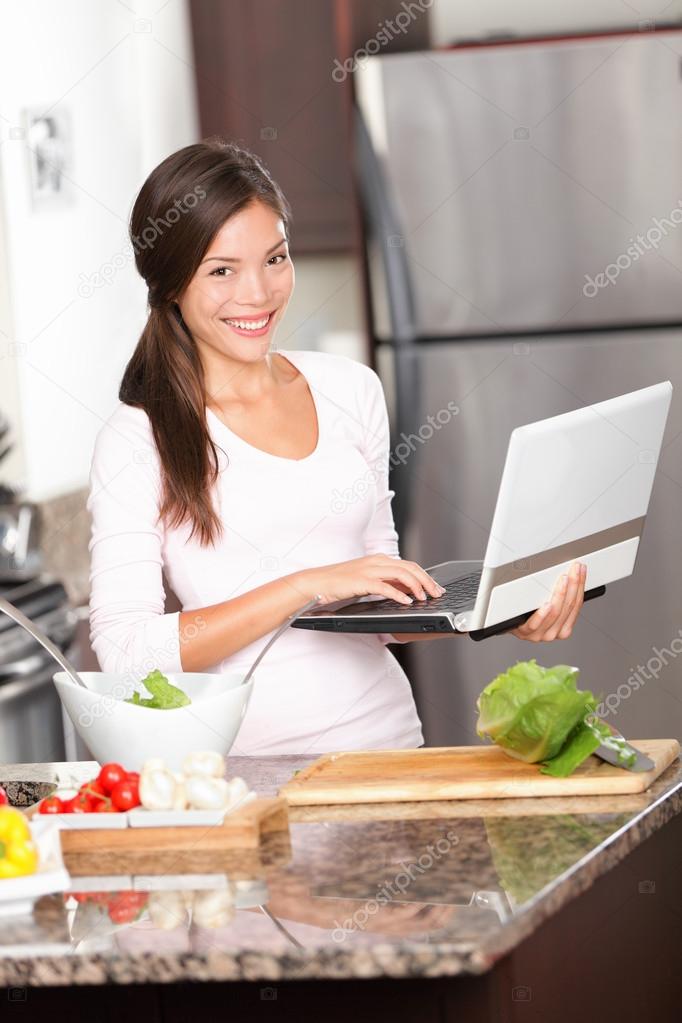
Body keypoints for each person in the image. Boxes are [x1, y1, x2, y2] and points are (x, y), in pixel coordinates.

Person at [87, 138, 586, 756]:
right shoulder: (140, 439)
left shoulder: (350, 389)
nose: (259, 293)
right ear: (170, 285)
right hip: (254, 777)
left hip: (391, 748)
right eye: (222, 270)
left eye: (275, 259)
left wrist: (498, 610)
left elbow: (381, 603)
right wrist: (306, 585)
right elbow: (127, 652)